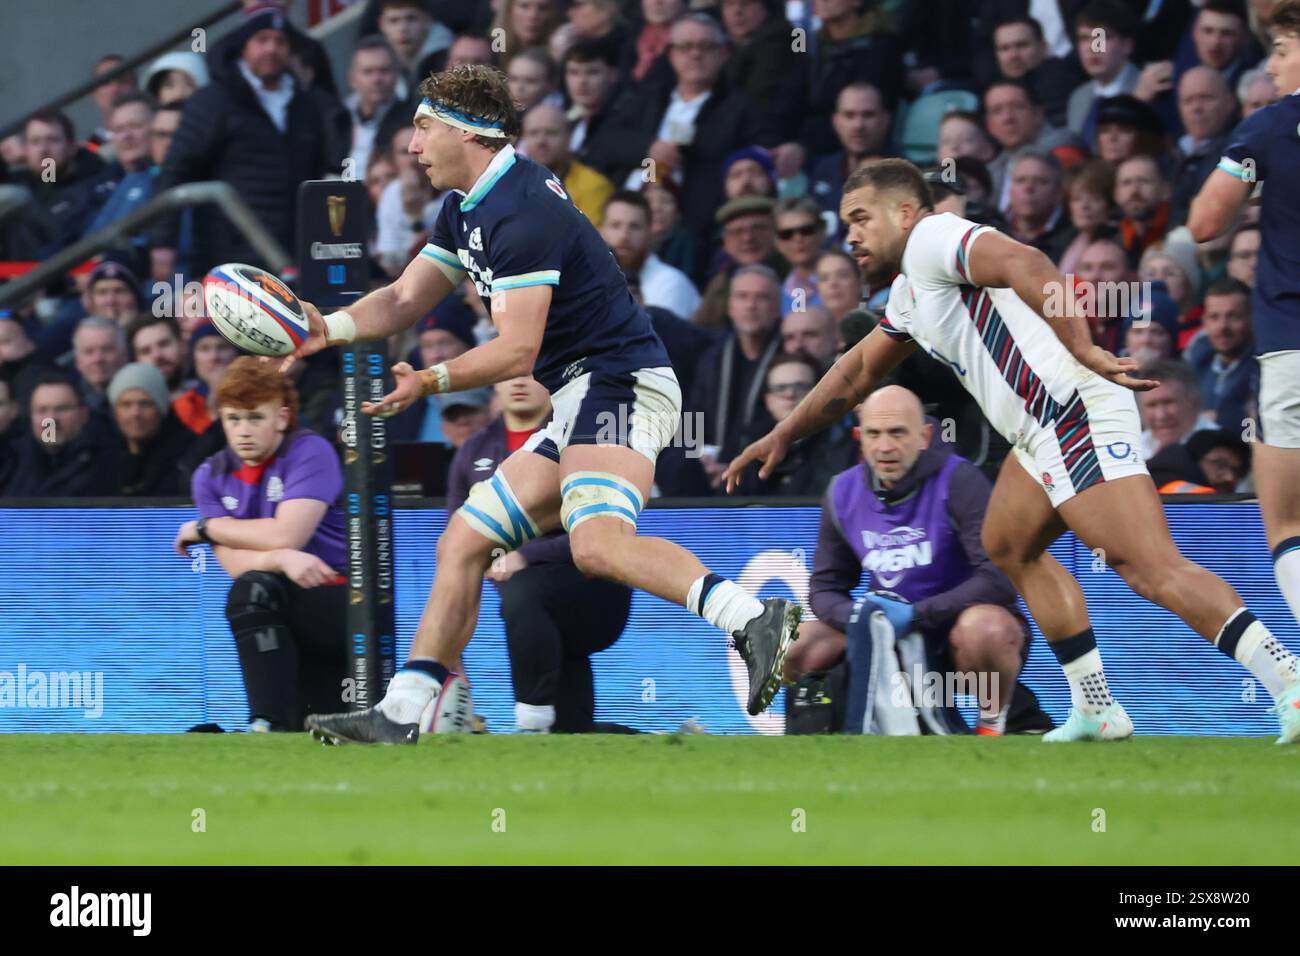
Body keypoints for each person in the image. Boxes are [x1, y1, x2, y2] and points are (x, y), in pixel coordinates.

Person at [285, 65, 800, 744]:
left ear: (466, 132)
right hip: (585, 389)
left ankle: (752, 619)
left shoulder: (521, 212)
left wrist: (431, 380)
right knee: (463, 541)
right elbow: (406, 299)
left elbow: (517, 353)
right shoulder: (468, 205)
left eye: (422, 127)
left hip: (620, 382)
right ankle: (401, 714)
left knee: (597, 546)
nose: (411, 146)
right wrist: (331, 327)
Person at [725, 158, 1300, 743]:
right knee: (1007, 543)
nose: (850, 235)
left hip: (1071, 414)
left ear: (903, 212)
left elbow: (1030, 264)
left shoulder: (933, 237)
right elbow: (854, 375)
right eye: (846, 222)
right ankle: (1096, 707)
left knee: (1150, 567)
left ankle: (1288, 680)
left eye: (860, 218)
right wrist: (781, 434)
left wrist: (1084, 348)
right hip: (1038, 433)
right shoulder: (907, 292)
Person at [788, 385, 1046, 735]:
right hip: (887, 635)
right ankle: (812, 732)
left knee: (986, 631)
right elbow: (824, 588)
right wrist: (859, 618)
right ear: (858, 437)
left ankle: (993, 725)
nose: (885, 447)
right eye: (874, 434)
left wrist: (918, 615)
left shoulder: (960, 480)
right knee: (796, 642)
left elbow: (998, 577)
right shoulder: (841, 491)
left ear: (925, 436)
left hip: (957, 632)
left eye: (897, 433)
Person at [1189, 0, 1300, 659]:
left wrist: (1254, 173)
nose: (1272, 63)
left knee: (1287, 521)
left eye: (1284, 50)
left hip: (1292, 342)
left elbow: (1204, 224)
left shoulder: (1265, 131)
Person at [448, 374, 634, 733]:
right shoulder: (472, 452)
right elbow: (458, 538)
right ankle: (650, 741)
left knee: (524, 592)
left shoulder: (583, 441)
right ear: (495, 384)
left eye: (532, 374)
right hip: (531, 613)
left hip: (594, 589)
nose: (519, 382)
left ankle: (531, 721)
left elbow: (605, 525)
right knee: (571, 734)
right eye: (509, 374)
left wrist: (525, 557)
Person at [174, 357, 349, 733]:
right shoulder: (209, 475)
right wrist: (282, 558)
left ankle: (271, 722)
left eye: (255, 417)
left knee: (334, 731)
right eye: (233, 419)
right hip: (277, 596)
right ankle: (265, 724)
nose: (243, 431)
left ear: (282, 418)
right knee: (249, 589)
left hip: (337, 598)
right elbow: (236, 564)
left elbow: (289, 533)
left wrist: (207, 528)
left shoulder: (310, 452)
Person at [600, 191, 700, 318]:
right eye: (615, 225)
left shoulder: (670, 284)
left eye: (635, 227)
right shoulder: (589, 279)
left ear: (650, 232)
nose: (624, 236)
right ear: (600, 231)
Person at [100, 362, 194, 496]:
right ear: (115, 411)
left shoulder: (189, 457)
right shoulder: (101, 458)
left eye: (145, 403)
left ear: (162, 408)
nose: (135, 413)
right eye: (126, 405)